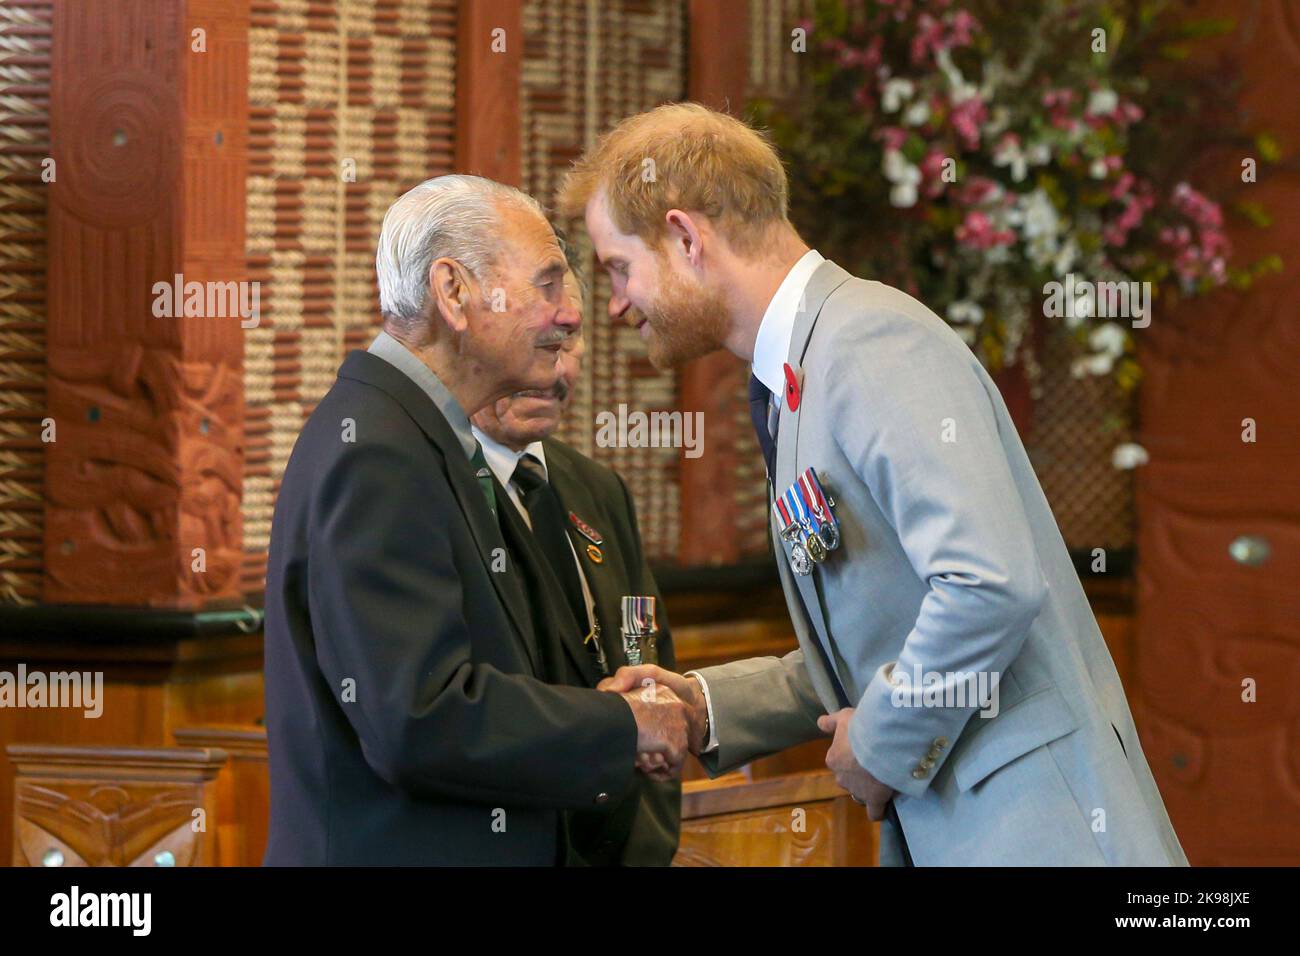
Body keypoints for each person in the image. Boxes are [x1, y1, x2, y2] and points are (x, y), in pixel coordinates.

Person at [560, 103, 1187, 866]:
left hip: (1039, 830)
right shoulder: (802, 372)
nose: (616, 303)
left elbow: (990, 585)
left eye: (618, 268)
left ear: (687, 237)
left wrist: (882, 744)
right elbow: (877, 638)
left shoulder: (866, 341)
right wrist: (703, 709)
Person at [262, 174, 688, 865]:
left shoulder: (411, 436)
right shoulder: (379, 451)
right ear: (454, 292)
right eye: (546, 284)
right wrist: (620, 725)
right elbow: (419, 716)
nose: (573, 316)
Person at [470, 266, 680, 865]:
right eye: (537, 347)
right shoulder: (441, 489)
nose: (554, 371)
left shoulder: (596, 490)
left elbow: (645, 648)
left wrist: (650, 836)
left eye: (566, 345)